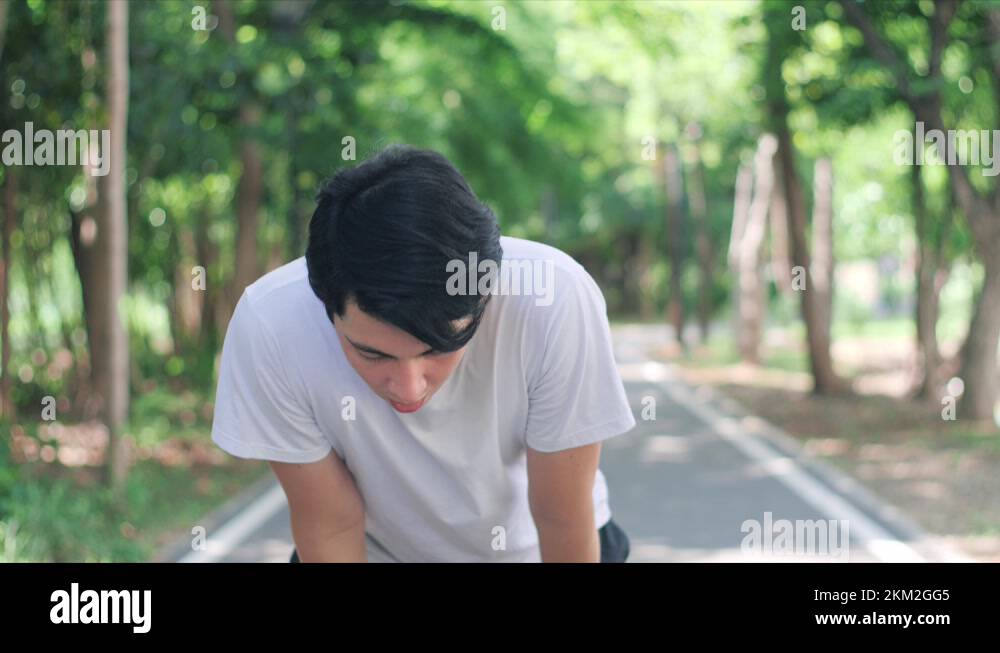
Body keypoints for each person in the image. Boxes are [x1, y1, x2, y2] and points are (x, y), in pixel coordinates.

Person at [211, 144, 636, 562]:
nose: (410, 389)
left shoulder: (554, 301)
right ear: (324, 304)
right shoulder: (272, 326)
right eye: (373, 355)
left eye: (438, 348)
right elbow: (331, 523)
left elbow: (560, 516)